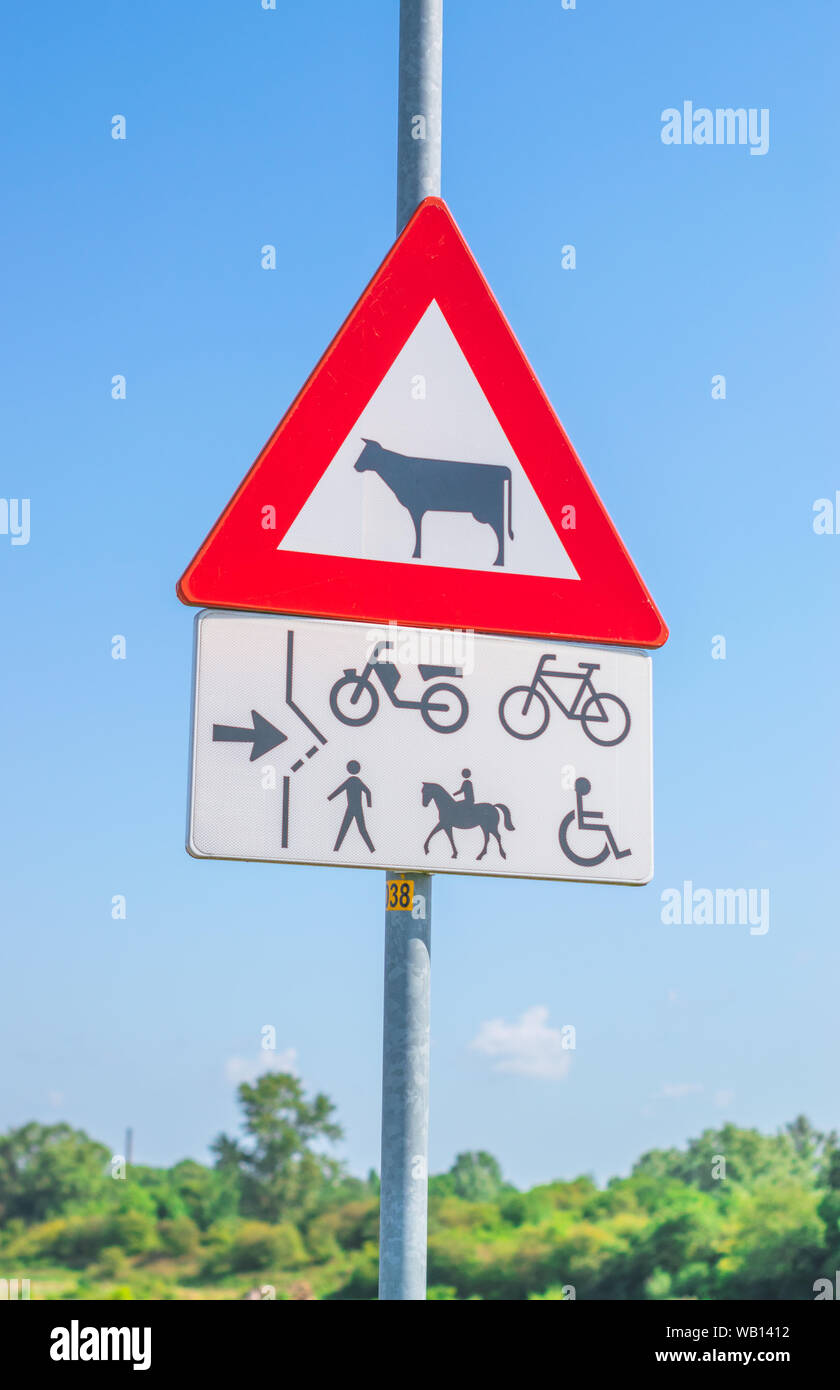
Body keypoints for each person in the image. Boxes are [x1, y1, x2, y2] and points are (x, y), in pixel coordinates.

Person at [328, 760, 374, 852]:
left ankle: (336, 849)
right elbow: (368, 792)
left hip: (353, 808)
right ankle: (371, 849)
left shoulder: (350, 781)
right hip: (355, 808)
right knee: (359, 829)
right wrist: (368, 804)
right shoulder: (357, 781)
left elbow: (339, 790)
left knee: (346, 829)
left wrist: (330, 798)